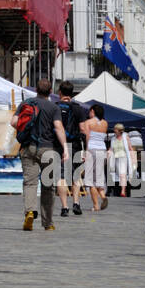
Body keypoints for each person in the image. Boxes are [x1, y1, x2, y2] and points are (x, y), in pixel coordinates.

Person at [12, 78, 68, 232]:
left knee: (30, 183)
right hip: (49, 149)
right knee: (48, 186)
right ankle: (48, 222)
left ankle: (30, 211)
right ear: (51, 92)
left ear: (36, 90)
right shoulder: (53, 107)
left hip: (29, 147)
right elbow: (58, 127)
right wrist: (65, 148)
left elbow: (13, 122)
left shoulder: (26, 103)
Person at [56, 80, 86, 217]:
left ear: (59, 92)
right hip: (75, 145)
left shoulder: (54, 107)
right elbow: (83, 130)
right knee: (75, 175)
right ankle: (76, 203)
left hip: (58, 145)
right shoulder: (78, 109)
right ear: (72, 93)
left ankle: (64, 207)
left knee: (60, 176)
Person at [80, 103, 110, 212]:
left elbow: (88, 137)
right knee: (99, 177)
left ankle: (96, 205)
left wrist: (86, 151)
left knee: (90, 179)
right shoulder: (105, 123)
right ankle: (103, 196)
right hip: (102, 149)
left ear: (93, 111)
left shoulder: (88, 122)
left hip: (92, 148)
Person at [109, 123, 136, 197]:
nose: (114, 131)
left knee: (122, 174)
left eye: (115, 129)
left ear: (119, 130)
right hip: (116, 159)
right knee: (119, 175)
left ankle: (123, 190)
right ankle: (122, 189)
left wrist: (133, 158)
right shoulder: (113, 138)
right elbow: (111, 149)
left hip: (123, 157)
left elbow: (130, 148)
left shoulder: (125, 136)